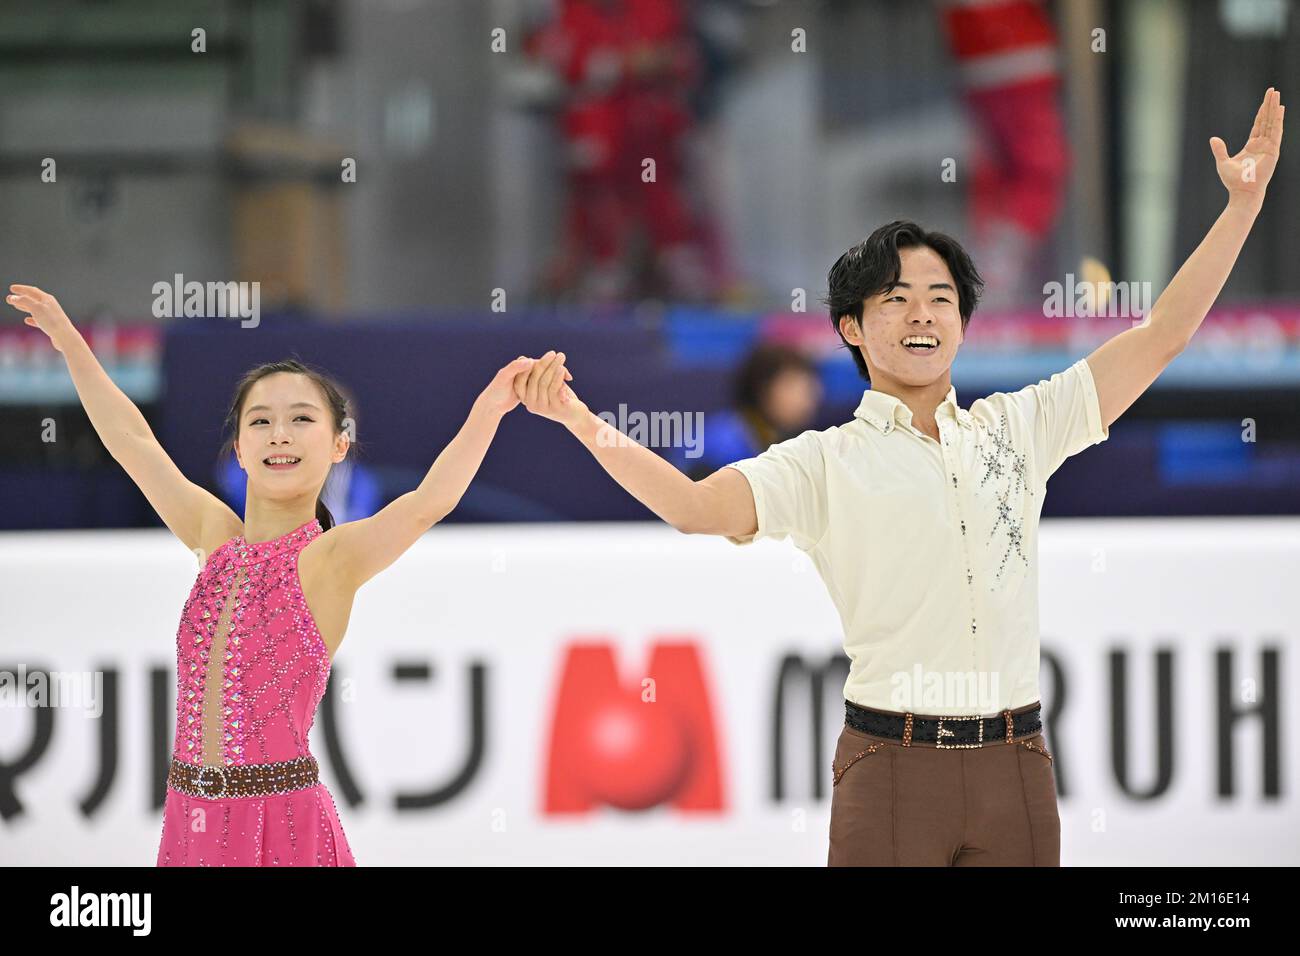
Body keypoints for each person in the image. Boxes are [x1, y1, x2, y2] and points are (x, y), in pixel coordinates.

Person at [507, 88, 1283, 865]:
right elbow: (692, 505)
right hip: (892, 769)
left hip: (1018, 764)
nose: (922, 315)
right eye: (897, 299)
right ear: (851, 327)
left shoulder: (1019, 426)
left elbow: (1162, 335)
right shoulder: (823, 462)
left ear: (962, 320)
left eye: (941, 299)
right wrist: (580, 419)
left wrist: (1241, 208)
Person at [6, 285, 544, 865]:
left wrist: (490, 406)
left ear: (340, 445)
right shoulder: (213, 536)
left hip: (280, 827)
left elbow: (426, 503)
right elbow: (131, 440)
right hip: (189, 820)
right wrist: (67, 340)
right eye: (260, 421)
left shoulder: (330, 559)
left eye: (301, 419)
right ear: (239, 448)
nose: (279, 434)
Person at [672, 343, 822, 479]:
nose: (807, 398)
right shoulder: (719, 447)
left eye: (809, 387)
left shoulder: (788, 441)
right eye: (793, 387)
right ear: (762, 390)